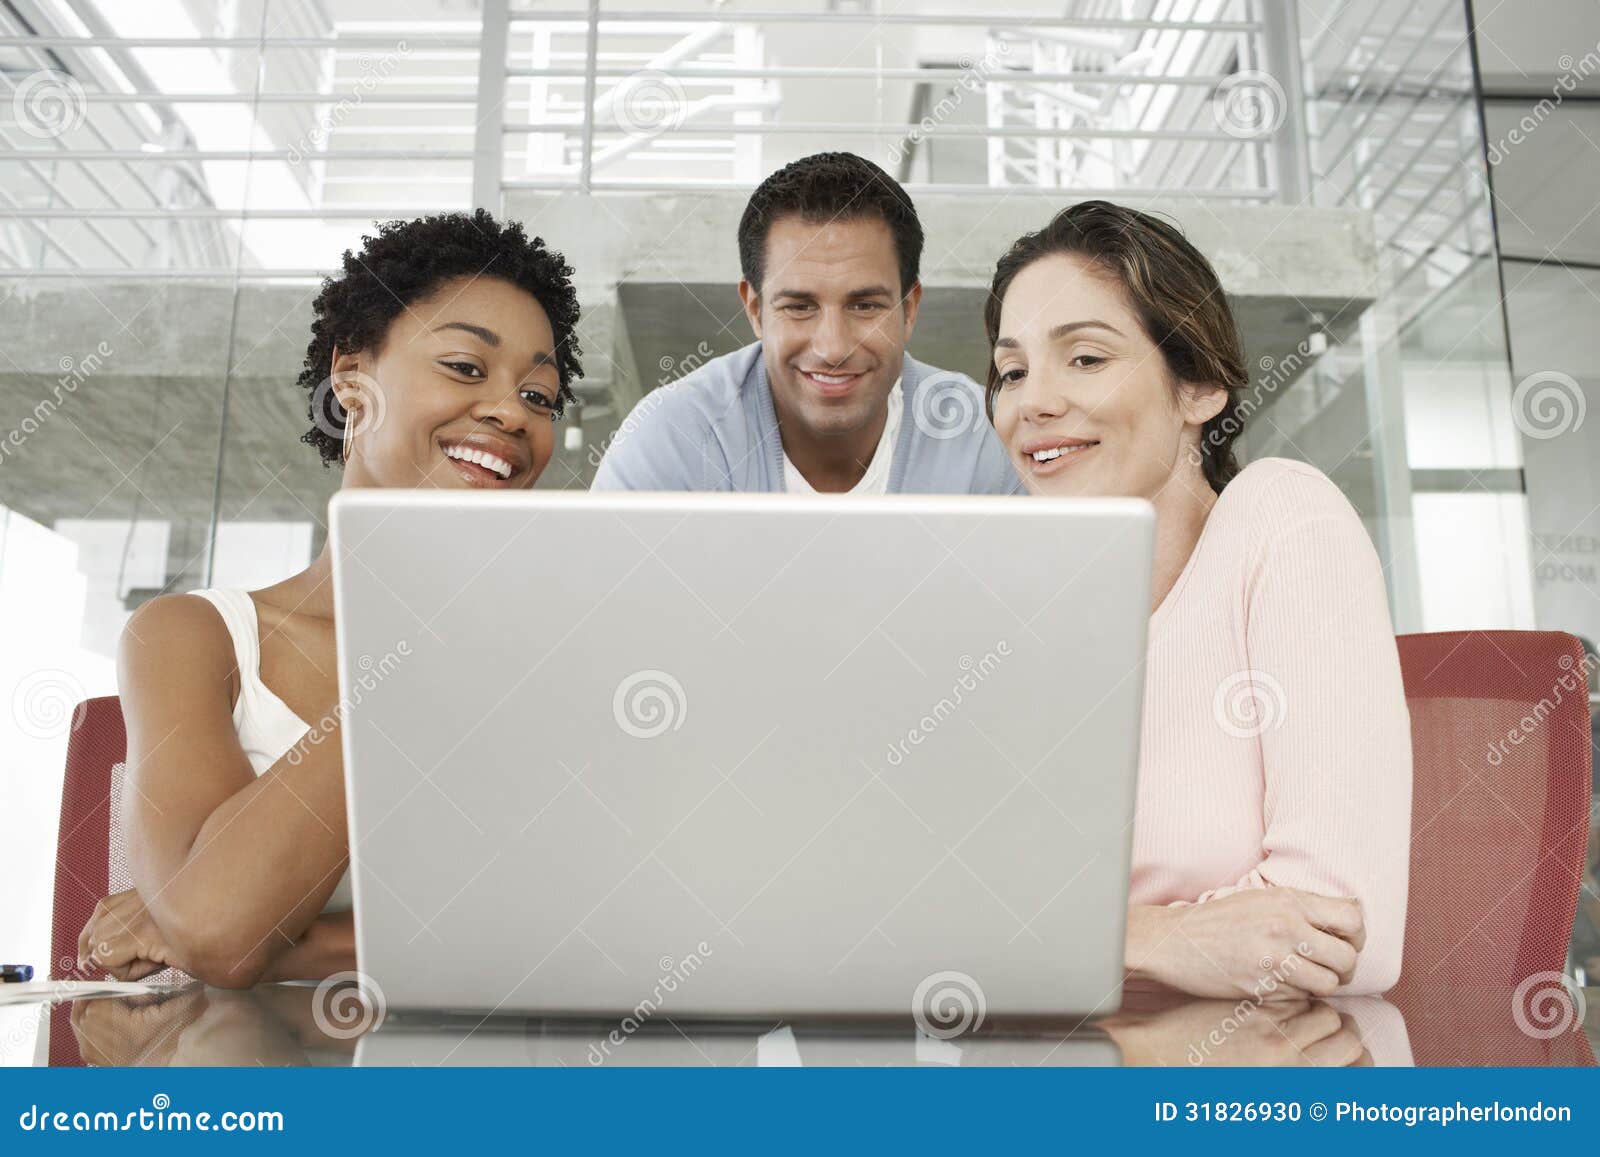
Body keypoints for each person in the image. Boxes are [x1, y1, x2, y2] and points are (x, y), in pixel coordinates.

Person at [77, 210, 583, 988]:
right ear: (352, 384)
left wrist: (304, 942)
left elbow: (587, 930)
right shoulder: (191, 637)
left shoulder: (557, 658)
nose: (513, 412)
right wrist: (427, 633)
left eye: (540, 396)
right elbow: (218, 926)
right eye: (464, 366)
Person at [983, 200, 1412, 998]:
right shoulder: (1024, 621)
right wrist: (1155, 935)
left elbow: (1347, 935)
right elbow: (931, 915)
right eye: (1012, 371)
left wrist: (1053, 932)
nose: (1031, 402)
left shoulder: (1282, 518)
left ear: (1200, 386)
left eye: (1083, 358)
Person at [592, 152, 1020, 495]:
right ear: (756, 310)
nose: (833, 348)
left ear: (909, 310)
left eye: (865, 306)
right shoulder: (670, 438)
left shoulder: (984, 432)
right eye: (799, 306)